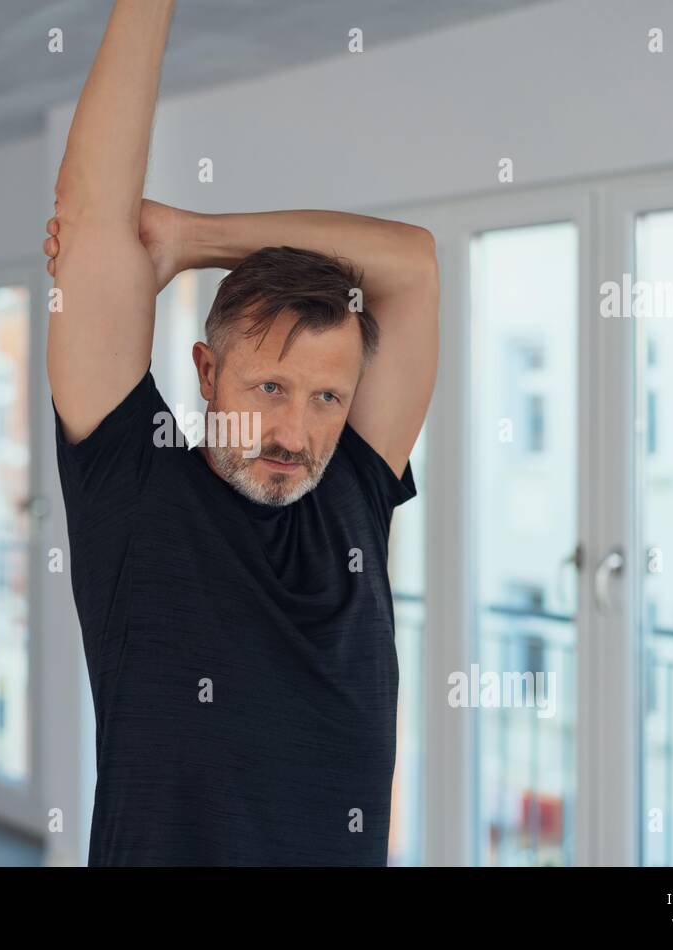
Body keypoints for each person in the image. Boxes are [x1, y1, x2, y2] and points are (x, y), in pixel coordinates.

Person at [45, 0, 439, 865]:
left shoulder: (355, 493)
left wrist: (196, 237)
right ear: (206, 370)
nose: (296, 430)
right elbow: (90, 224)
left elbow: (413, 264)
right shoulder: (132, 484)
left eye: (329, 396)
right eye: (270, 386)